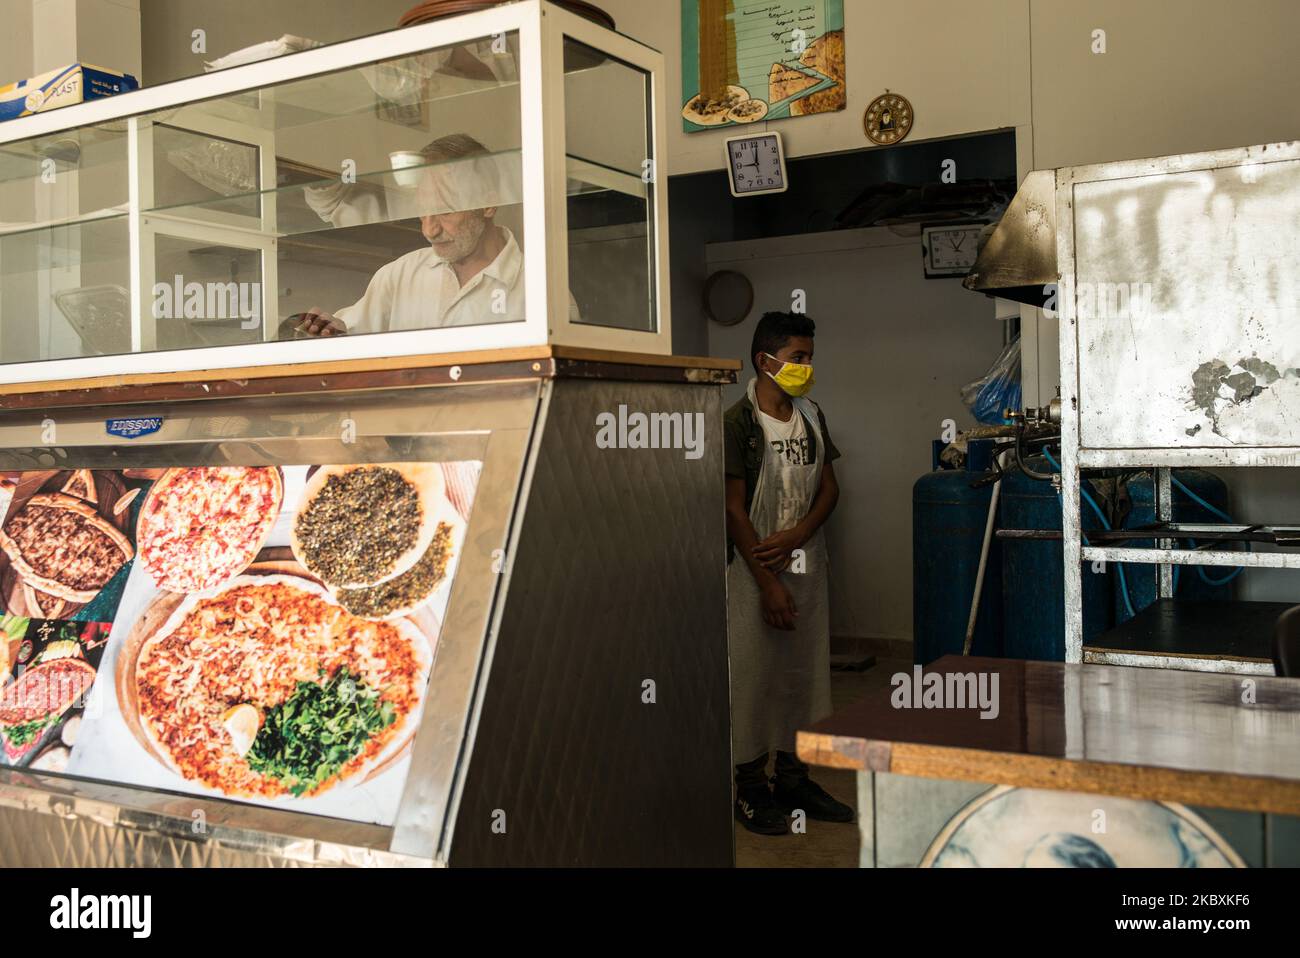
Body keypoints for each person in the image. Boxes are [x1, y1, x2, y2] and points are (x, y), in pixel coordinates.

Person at [723, 310, 854, 836]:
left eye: (809, 358)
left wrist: (799, 535)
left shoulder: (813, 415)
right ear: (765, 361)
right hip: (753, 572)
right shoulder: (737, 423)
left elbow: (830, 489)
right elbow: (733, 510)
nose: (807, 367)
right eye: (798, 358)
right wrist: (769, 583)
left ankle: (795, 778)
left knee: (802, 677)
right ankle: (752, 788)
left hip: (807, 565)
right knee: (753, 679)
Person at [294, 132, 577, 337]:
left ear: (489, 203)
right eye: (422, 211)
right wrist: (330, 329)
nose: (430, 230)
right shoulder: (398, 276)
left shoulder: (543, 294)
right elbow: (351, 336)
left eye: (445, 211)